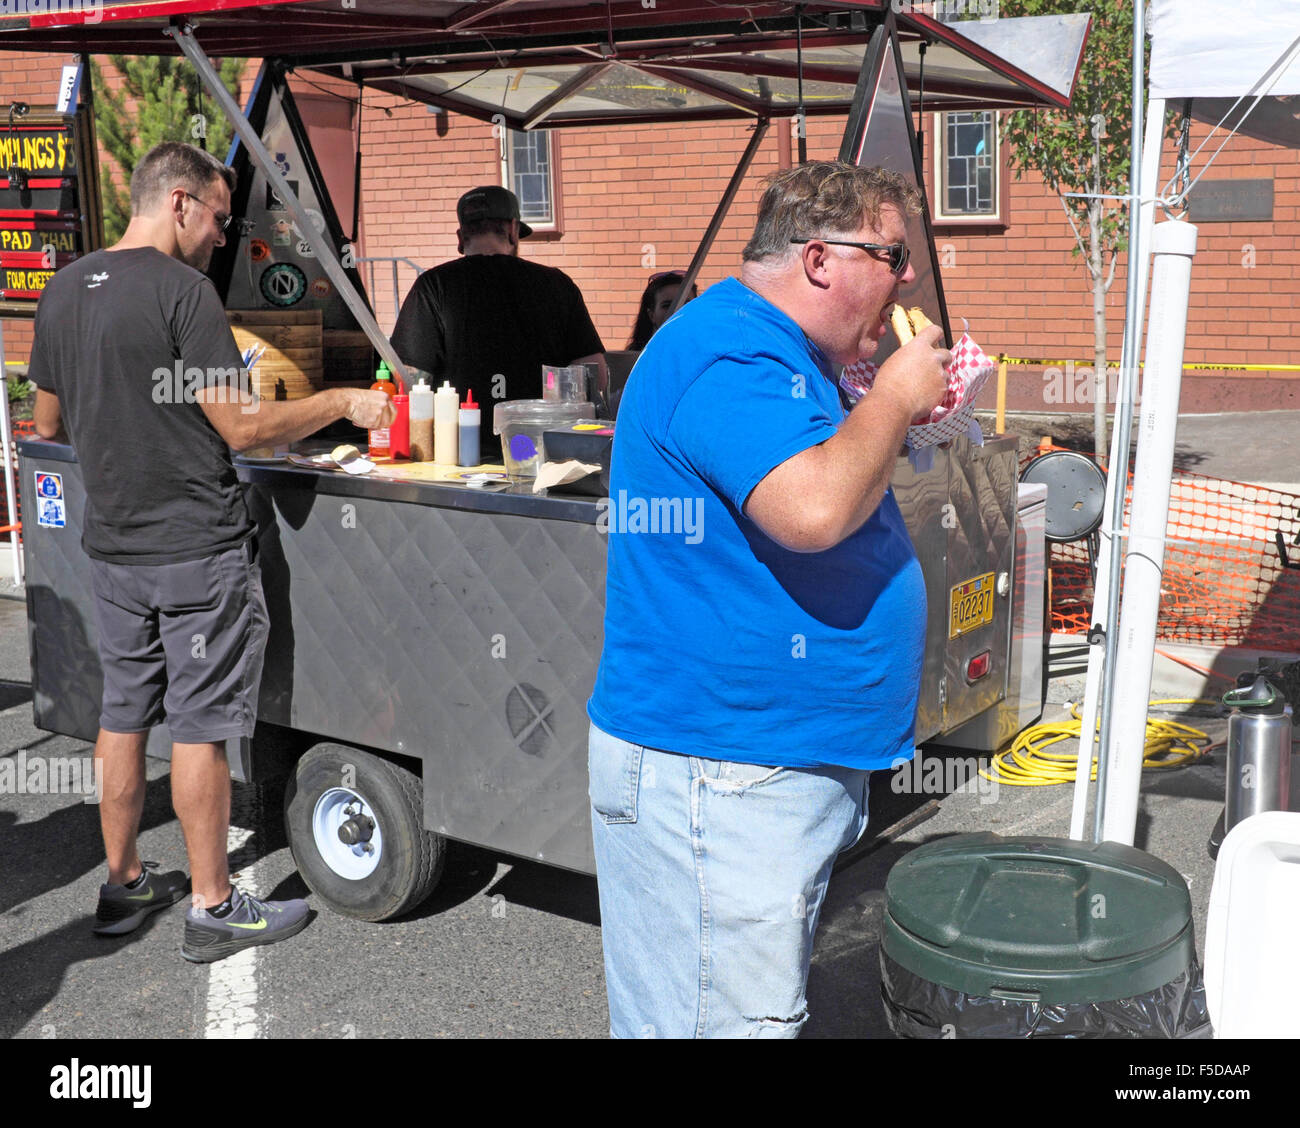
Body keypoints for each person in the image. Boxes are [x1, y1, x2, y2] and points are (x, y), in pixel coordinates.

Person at [586, 160, 951, 1038]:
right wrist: (897, 396)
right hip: (722, 774)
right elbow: (815, 510)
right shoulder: (732, 349)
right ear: (821, 259)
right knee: (725, 1024)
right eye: (893, 255)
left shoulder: (788, 352)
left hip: (757, 768)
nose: (907, 278)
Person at [30, 141, 395, 963]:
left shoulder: (62, 291)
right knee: (198, 726)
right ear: (182, 202)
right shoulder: (182, 293)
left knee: (121, 716)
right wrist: (339, 401)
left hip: (113, 549)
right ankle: (213, 903)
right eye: (222, 219)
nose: (223, 238)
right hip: (195, 547)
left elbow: (47, 426)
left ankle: (123, 885)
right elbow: (242, 426)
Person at [391, 185, 606, 410]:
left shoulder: (433, 286)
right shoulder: (558, 284)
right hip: (538, 440)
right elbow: (594, 374)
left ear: (461, 237)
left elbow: (407, 382)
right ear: (513, 230)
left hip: (460, 441)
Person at [626, 269, 698, 350]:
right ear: (652, 315)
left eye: (686, 304)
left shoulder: (711, 352)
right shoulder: (638, 360)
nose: (677, 311)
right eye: (667, 305)